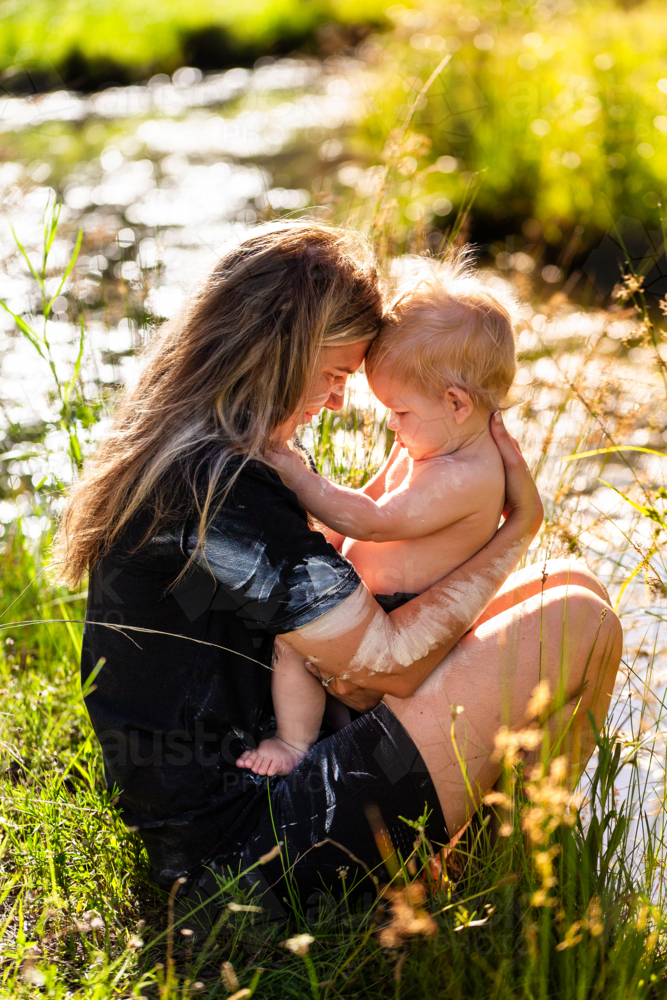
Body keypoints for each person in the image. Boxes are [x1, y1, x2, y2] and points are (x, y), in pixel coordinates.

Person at [55, 221, 622, 916]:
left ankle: (490, 878)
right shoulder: (212, 487)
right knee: (578, 622)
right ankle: (507, 892)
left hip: (261, 790)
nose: (335, 402)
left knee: (571, 586)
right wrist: (517, 530)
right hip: (240, 848)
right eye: (333, 375)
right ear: (278, 348)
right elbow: (387, 667)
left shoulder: (201, 449)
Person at [236, 261, 516, 777]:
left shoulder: (466, 474)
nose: (392, 423)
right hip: (380, 609)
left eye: (400, 411)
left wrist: (299, 477)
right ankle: (325, 736)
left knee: (294, 643)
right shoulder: (435, 445)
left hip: (401, 615)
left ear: (456, 403)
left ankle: (294, 743)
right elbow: (371, 495)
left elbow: (376, 520)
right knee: (313, 660)